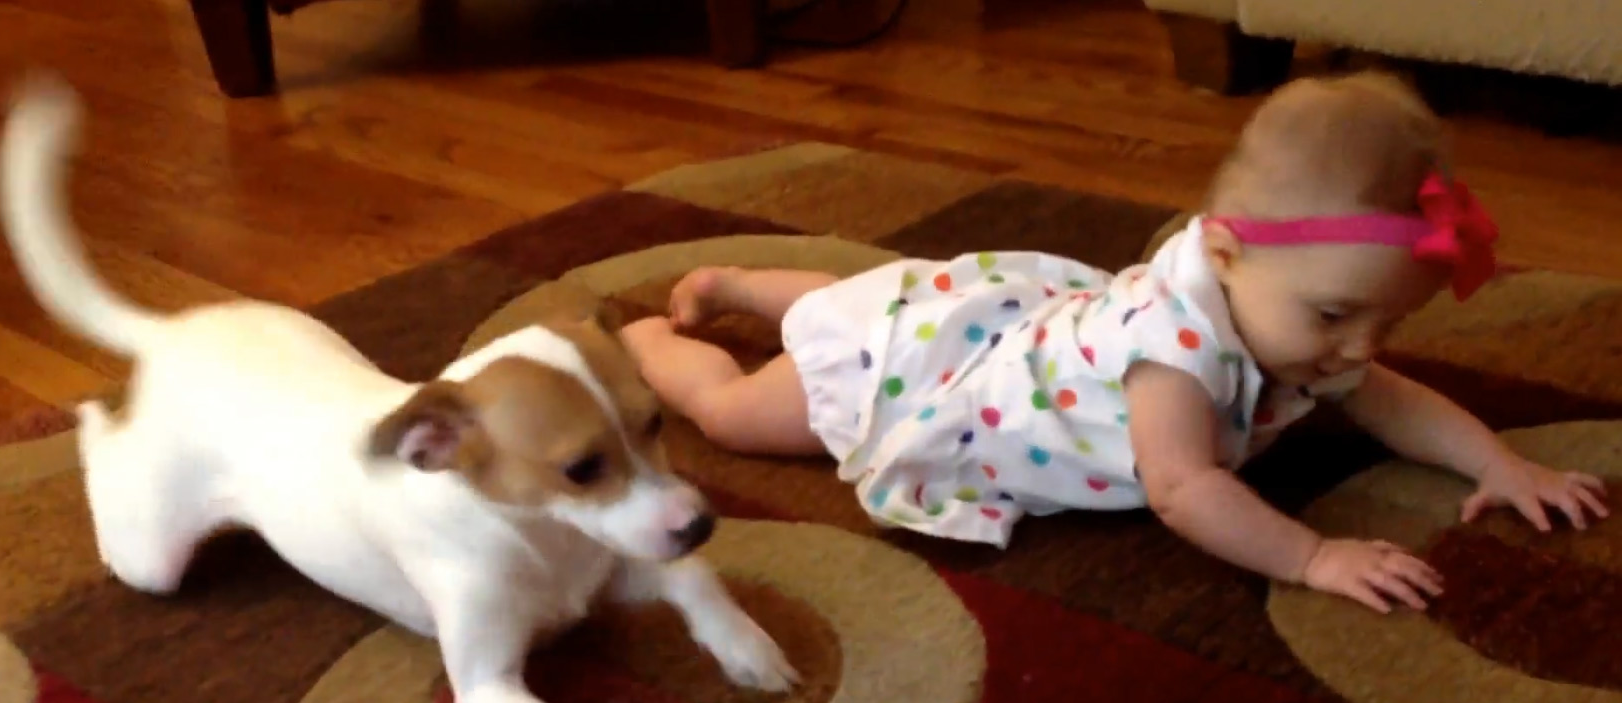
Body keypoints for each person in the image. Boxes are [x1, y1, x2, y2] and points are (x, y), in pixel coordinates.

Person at [618, 71, 1608, 616]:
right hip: (947, 386)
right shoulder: (1170, 354)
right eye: (1335, 318)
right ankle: (649, 346)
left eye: (1387, 323)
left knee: (872, 306)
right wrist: (1310, 556)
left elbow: (1388, 397)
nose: (1356, 351)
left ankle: (750, 285)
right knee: (745, 411)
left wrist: (1500, 461)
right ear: (1221, 251)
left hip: (986, 327)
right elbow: (1186, 491)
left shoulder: (1289, 315)